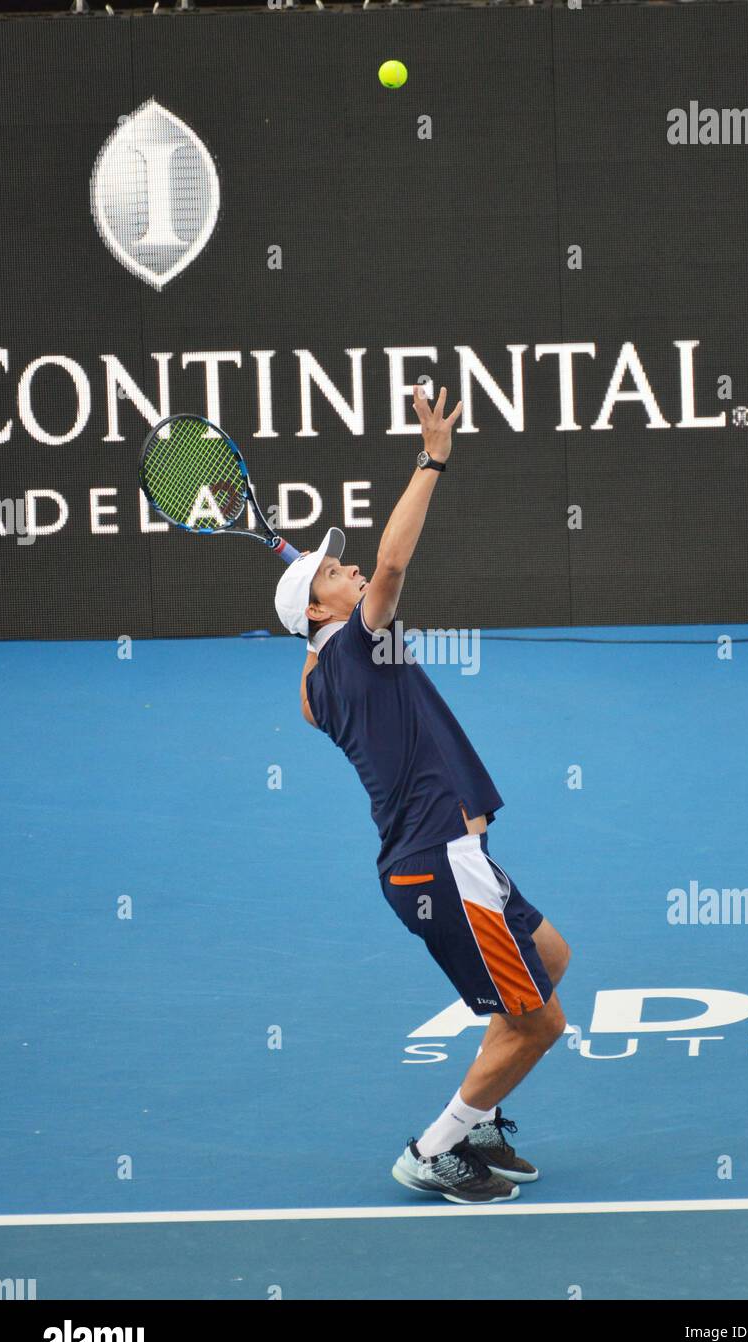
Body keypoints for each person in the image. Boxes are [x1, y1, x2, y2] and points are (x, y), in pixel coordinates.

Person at [274, 384, 571, 1203]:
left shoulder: (317, 681)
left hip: (438, 859)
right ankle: (434, 1149)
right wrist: (431, 458)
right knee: (540, 1020)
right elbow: (396, 562)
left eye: (344, 561)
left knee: (548, 958)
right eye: (336, 571)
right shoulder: (358, 645)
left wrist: (308, 601)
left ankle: (477, 1121)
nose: (354, 567)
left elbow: (310, 665)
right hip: (441, 863)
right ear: (321, 609)